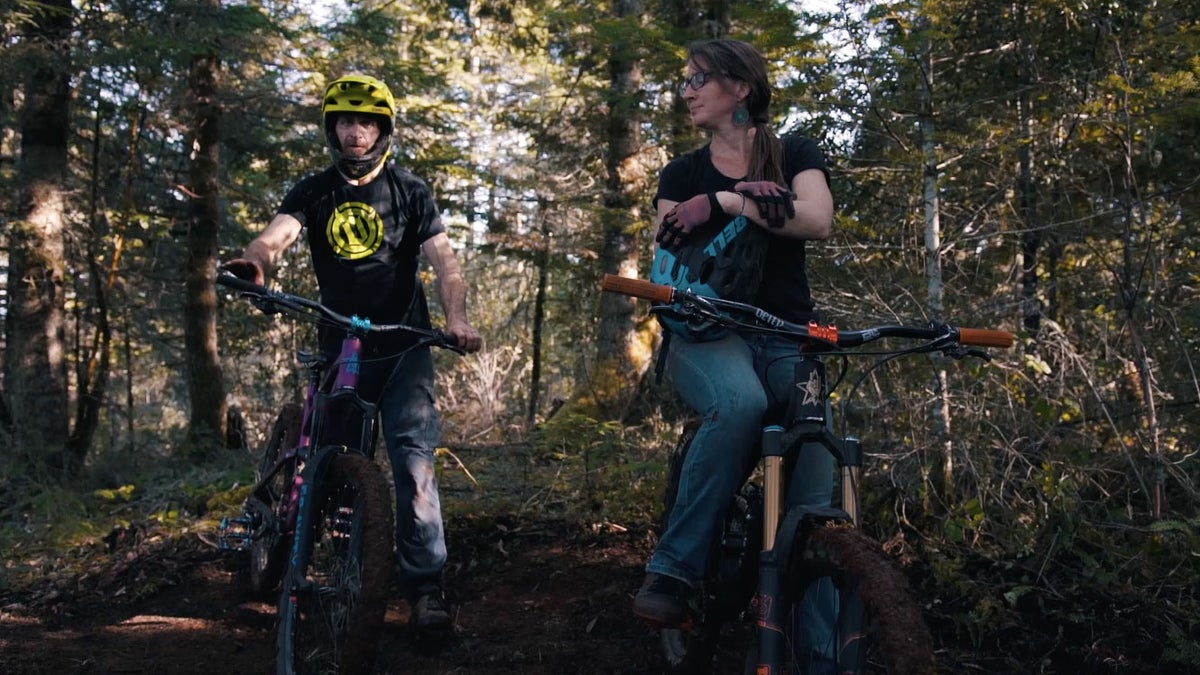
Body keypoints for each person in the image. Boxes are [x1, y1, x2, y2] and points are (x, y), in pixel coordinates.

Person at [223, 74, 482, 631]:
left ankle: (425, 589)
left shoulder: (410, 190)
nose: (354, 132)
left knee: (414, 462)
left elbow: (445, 262)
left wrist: (456, 319)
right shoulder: (314, 191)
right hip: (339, 343)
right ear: (331, 128)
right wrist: (255, 265)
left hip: (404, 345)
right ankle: (323, 564)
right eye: (344, 121)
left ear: (382, 130)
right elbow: (274, 238)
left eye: (366, 122)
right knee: (330, 459)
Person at [633, 39, 838, 663]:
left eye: (698, 79)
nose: (686, 92)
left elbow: (816, 218)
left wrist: (727, 202)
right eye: (684, 81)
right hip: (706, 332)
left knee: (815, 485)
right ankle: (673, 571)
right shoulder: (682, 173)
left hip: (786, 332)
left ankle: (821, 655)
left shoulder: (795, 153)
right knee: (742, 402)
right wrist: (738, 205)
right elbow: (671, 255)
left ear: (741, 87)